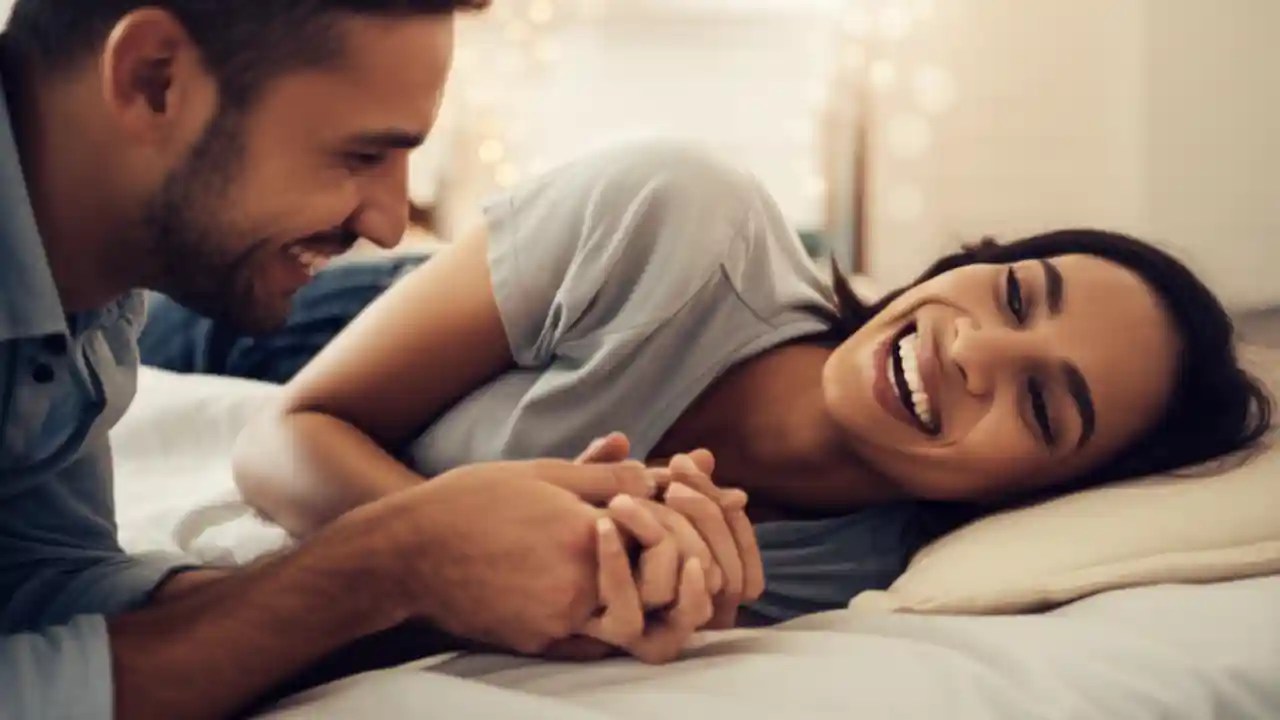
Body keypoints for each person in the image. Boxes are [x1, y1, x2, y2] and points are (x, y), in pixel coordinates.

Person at [0, 4, 751, 719]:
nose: (391, 225)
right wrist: (384, 564)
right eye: (360, 155)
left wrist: (465, 585)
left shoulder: (81, 296)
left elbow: (40, 583)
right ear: (152, 78)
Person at [233, 140, 1273, 624]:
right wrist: (460, 556)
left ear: (1026, 497)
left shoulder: (847, 587)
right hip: (278, 320)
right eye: (1009, 293)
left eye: (1041, 406)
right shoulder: (679, 218)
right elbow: (282, 435)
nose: (972, 351)